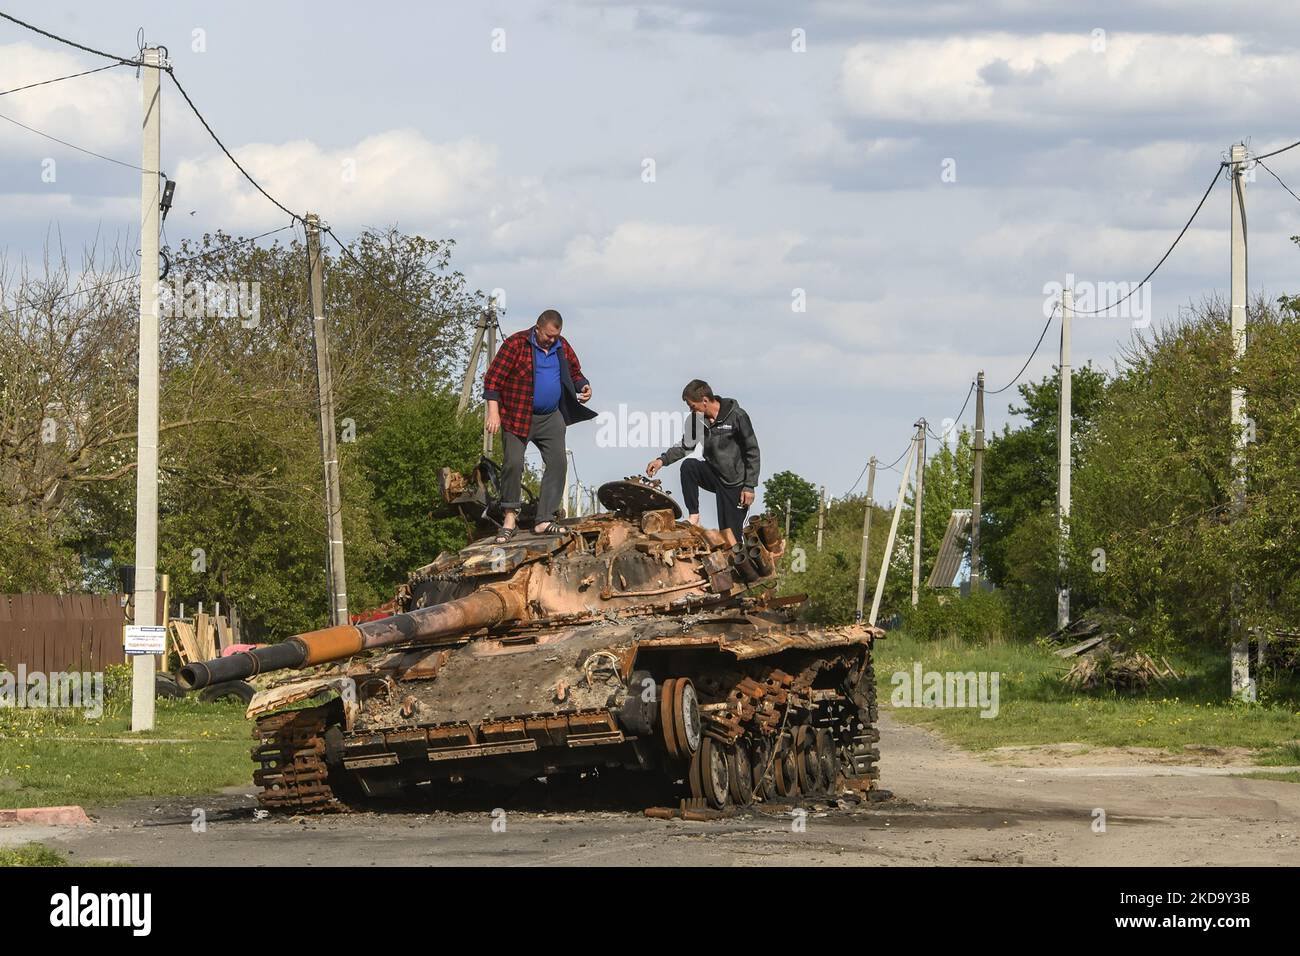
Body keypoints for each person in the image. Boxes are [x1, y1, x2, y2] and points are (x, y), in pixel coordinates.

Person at [484, 309, 596, 540]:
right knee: (513, 464)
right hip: (517, 415)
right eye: (548, 336)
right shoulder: (516, 344)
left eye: (556, 336)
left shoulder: (561, 346)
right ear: (538, 329)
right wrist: (493, 413)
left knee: (558, 463)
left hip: (550, 416)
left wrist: (584, 386)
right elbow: (493, 379)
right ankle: (509, 518)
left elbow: (575, 372)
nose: (552, 340)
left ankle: (544, 519)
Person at [646, 380, 760, 542]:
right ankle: (694, 515)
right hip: (714, 475)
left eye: (692, 405)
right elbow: (686, 445)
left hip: (735, 484)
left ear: (705, 400)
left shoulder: (737, 416)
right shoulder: (696, 420)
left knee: (731, 538)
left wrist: (749, 486)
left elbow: (752, 451)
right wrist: (661, 461)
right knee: (689, 467)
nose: (691, 409)